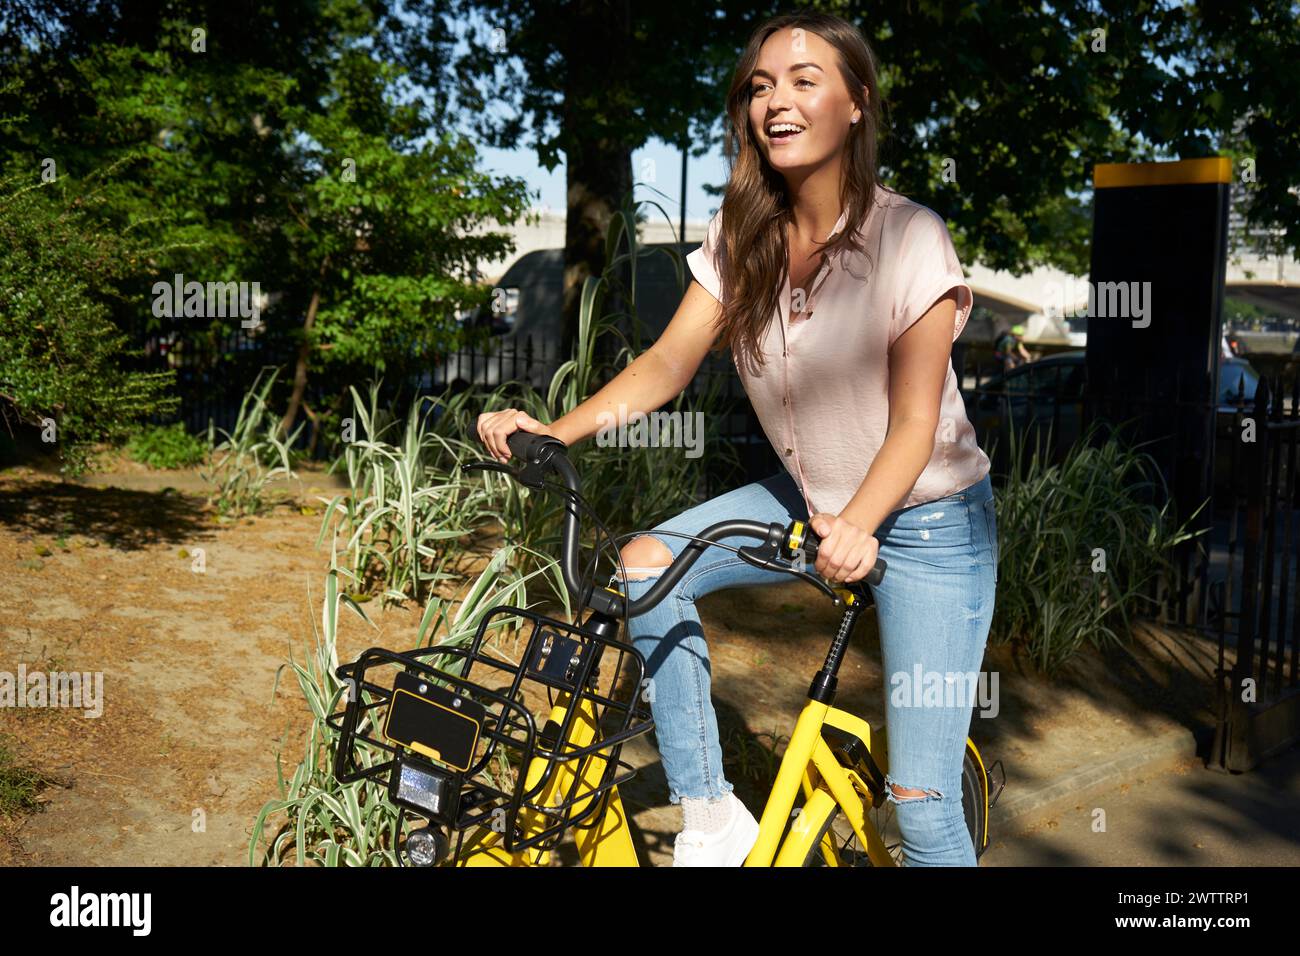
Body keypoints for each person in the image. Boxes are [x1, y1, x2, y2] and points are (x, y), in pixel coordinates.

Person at [476, 11, 997, 867]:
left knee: (925, 815)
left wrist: (862, 525)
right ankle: (712, 813)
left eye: (803, 80)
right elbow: (666, 365)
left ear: (858, 103)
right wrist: (552, 430)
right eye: (760, 86)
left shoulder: (910, 236)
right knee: (645, 563)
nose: (776, 100)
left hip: (931, 525)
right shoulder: (740, 237)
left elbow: (914, 424)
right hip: (811, 502)